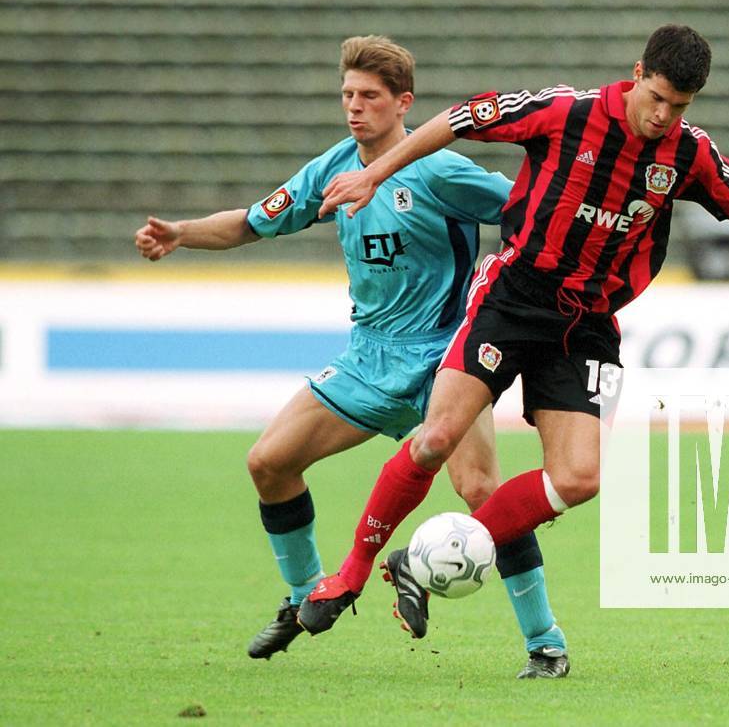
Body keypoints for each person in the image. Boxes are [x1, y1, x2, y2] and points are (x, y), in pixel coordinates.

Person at [301, 24, 729, 644]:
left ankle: (418, 562)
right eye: (656, 98)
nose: (663, 116)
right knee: (436, 436)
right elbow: (460, 119)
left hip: (587, 326)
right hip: (512, 299)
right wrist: (376, 173)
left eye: (679, 107)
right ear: (637, 72)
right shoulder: (564, 112)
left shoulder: (689, 154)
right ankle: (352, 573)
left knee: (579, 478)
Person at [134, 35, 571, 679]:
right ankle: (305, 594)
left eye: (369, 96)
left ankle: (546, 644)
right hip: (368, 359)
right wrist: (182, 234)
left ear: (404, 104)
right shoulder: (332, 169)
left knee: (482, 491)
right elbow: (254, 222)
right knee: (269, 462)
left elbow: (529, 212)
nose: (354, 107)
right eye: (347, 95)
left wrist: (509, 276)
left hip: (445, 359)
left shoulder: (439, 169)